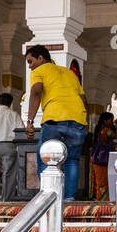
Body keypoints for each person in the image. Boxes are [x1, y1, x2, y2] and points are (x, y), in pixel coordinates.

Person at [23, 44, 87, 200]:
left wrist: (30, 121)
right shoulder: (70, 74)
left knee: (45, 157)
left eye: (30, 62)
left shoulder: (39, 71)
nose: (30, 67)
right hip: (77, 118)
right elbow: (84, 99)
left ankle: (48, 195)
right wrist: (85, 124)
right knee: (72, 159)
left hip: (54, 119)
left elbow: (36, 92)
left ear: (41, 58)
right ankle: (68, 198)